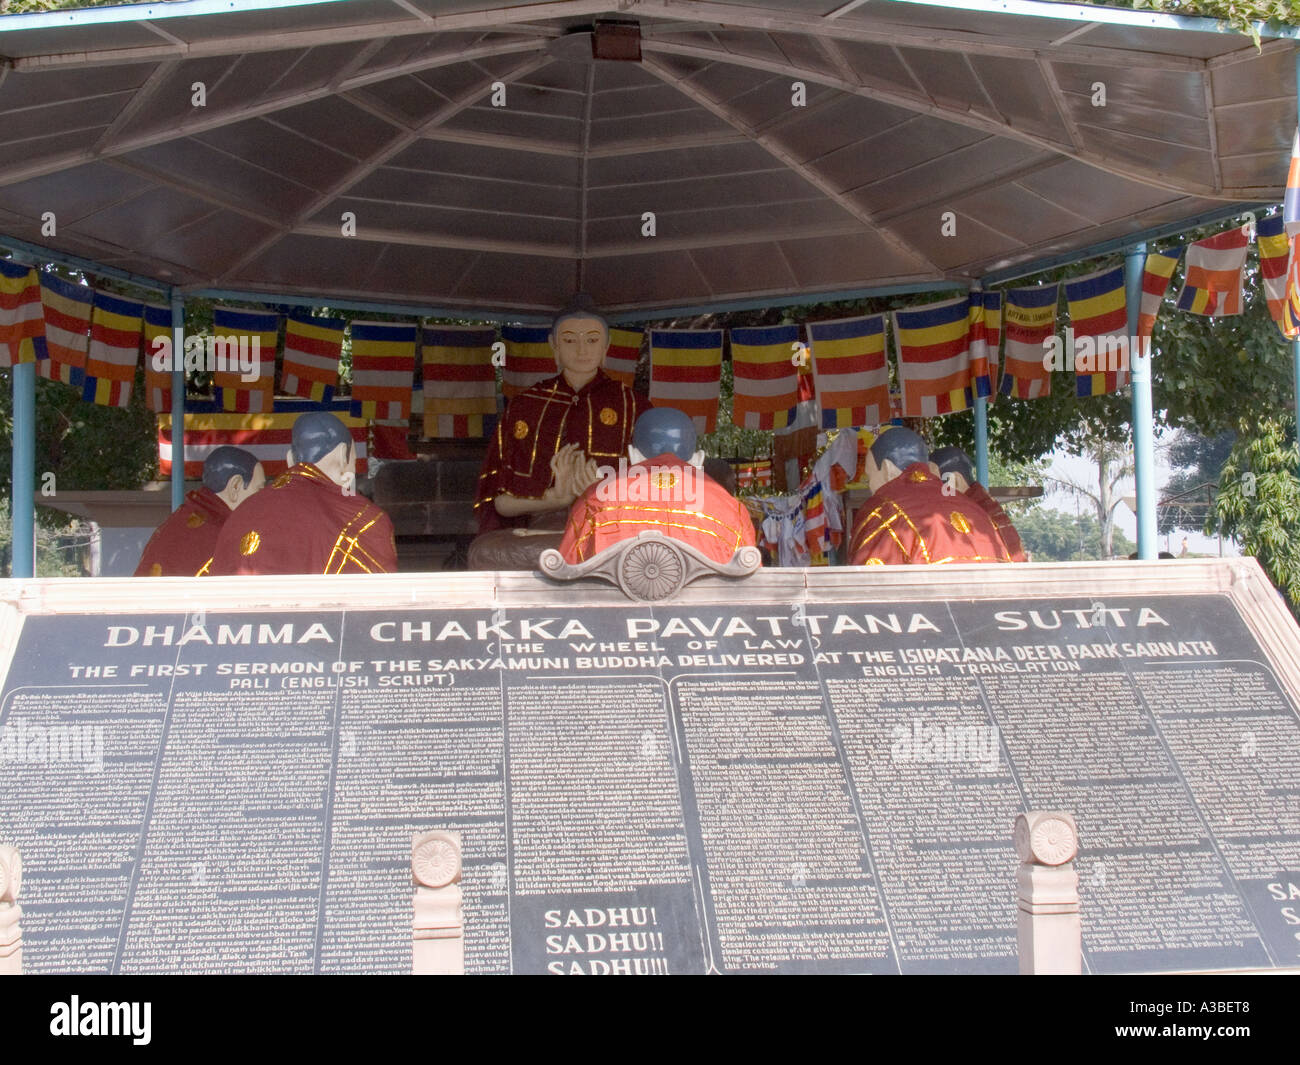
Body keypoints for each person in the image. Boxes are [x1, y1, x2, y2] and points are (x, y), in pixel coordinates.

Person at [473, 295, 650, 534]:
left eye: (592, 340)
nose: (582, 350)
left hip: (613, 529)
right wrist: (555, 499)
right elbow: (499, 502)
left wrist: (601, 492)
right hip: (539, 528)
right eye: (569, 340)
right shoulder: (525, 406)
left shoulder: (634, 406)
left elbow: (658, 491)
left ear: (606, 346)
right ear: (554, 345)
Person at [558, 408, 757, 565]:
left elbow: (567, 572)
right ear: (698, 460)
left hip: (616, 616)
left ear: (633, 455)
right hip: (706, 616)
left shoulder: (596, 500)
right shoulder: (732, 511)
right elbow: (750, 582)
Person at [209, 412, 397, 575]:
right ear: (343, 456)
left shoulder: (242, 514)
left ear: (290, 460)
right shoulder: (364, 519)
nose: (352, 475)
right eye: (354, 463)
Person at [848, 427, 1012, 566]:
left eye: (870, 478)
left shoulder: (884, 508)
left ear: (886, 469)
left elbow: (868, 588)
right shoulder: (977, 511)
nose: (870, 487)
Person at [135, 446, 265, 577]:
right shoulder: (222, 536)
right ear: (235, 487)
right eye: (259, 489)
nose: (262, 501)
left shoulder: (184, 517)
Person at [929, 445, 1027, 562]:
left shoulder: (976, 514)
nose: (931, 490)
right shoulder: (984, 506)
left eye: (935, 483)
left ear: (955, 481)